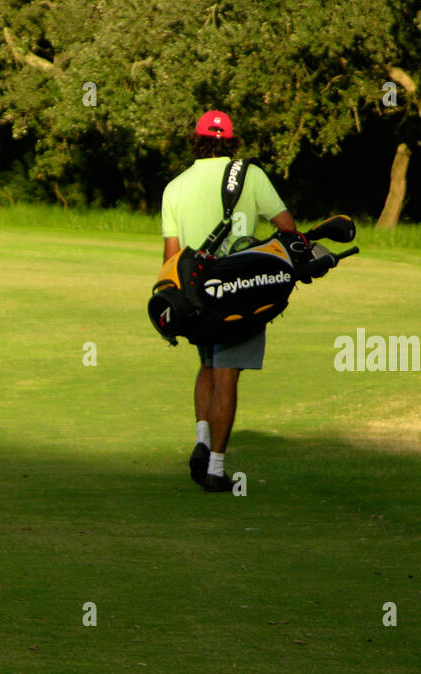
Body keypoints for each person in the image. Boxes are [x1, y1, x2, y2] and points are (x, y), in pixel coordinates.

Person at [160, 110, 299, 492]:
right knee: (227, 374)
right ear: (231, 141)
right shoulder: (250, 176)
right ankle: (216, 470)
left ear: (196, 139)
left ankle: (202, 439)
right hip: (240, 293)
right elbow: (286, 226)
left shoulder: (174, 187)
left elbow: (171, 258)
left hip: (196, 296)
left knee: (207, 366)